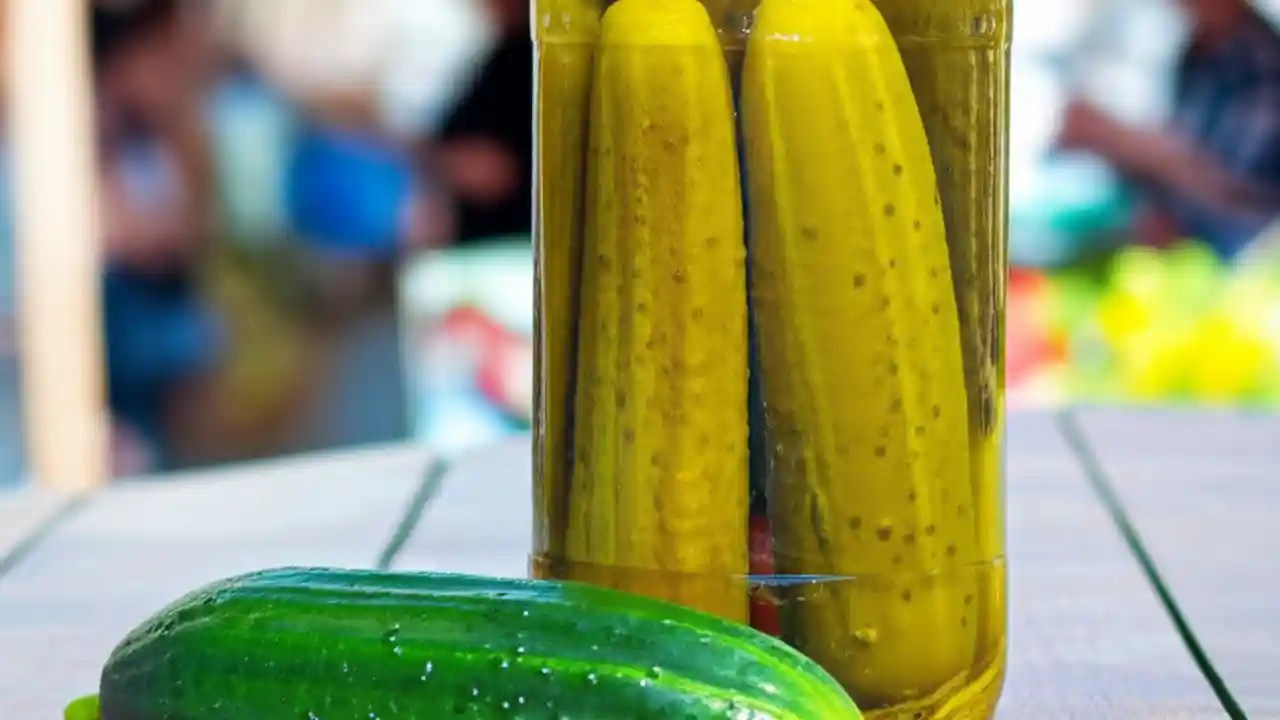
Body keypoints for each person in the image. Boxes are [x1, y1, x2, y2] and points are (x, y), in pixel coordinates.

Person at [93, 0, 223, 472]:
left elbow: (185, 228)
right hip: (123, 346)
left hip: (153, 349)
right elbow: (131, 235)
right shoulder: (87, 137)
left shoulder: (150, 138)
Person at [1058, 0, 1280, 259]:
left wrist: (1133, 146)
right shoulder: (1200, 48)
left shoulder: (1259, 64)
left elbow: (1245, 204)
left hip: (1227, 272)